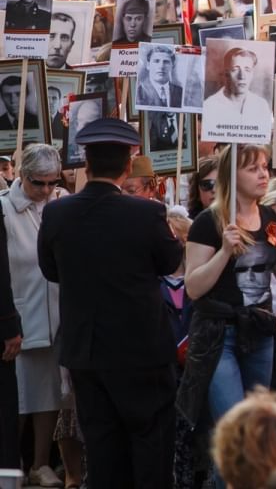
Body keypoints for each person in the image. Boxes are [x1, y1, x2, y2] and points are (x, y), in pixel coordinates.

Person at [37, 118, 182, 489]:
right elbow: (169, 263)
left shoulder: (57, 212)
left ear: (86, 165)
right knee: (151, 444)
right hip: (142, 352)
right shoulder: (147, 213)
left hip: (87, 351)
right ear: (127, 166)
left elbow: (50, 270)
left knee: (101, 447)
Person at [181, 144, 276, 480]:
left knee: (258, 433)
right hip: (219, 337)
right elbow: (193, 287)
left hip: (259, 335)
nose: (264, 174)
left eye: (265, 166)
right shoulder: (208, 222)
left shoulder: (270, 219)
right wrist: (224, 251)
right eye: (253, 168)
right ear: (231, 175)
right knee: (234, 431)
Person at [4, 144, 81, 489]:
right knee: (17, 397)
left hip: (57, 313)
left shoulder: (61, 204)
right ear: (22, 177)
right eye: (39, 183)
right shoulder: (4, 209)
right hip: (20, 311)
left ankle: (39, 463)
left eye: (53, 182)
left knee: (49, 394)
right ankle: (11, 462)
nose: (46, 190)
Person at [203, 47, 274, 124]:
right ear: (227, 73)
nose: (242, 76)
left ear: (252, 74)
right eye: (235, 69)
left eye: (247, 70)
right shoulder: (210, 105)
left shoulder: (261, 105)